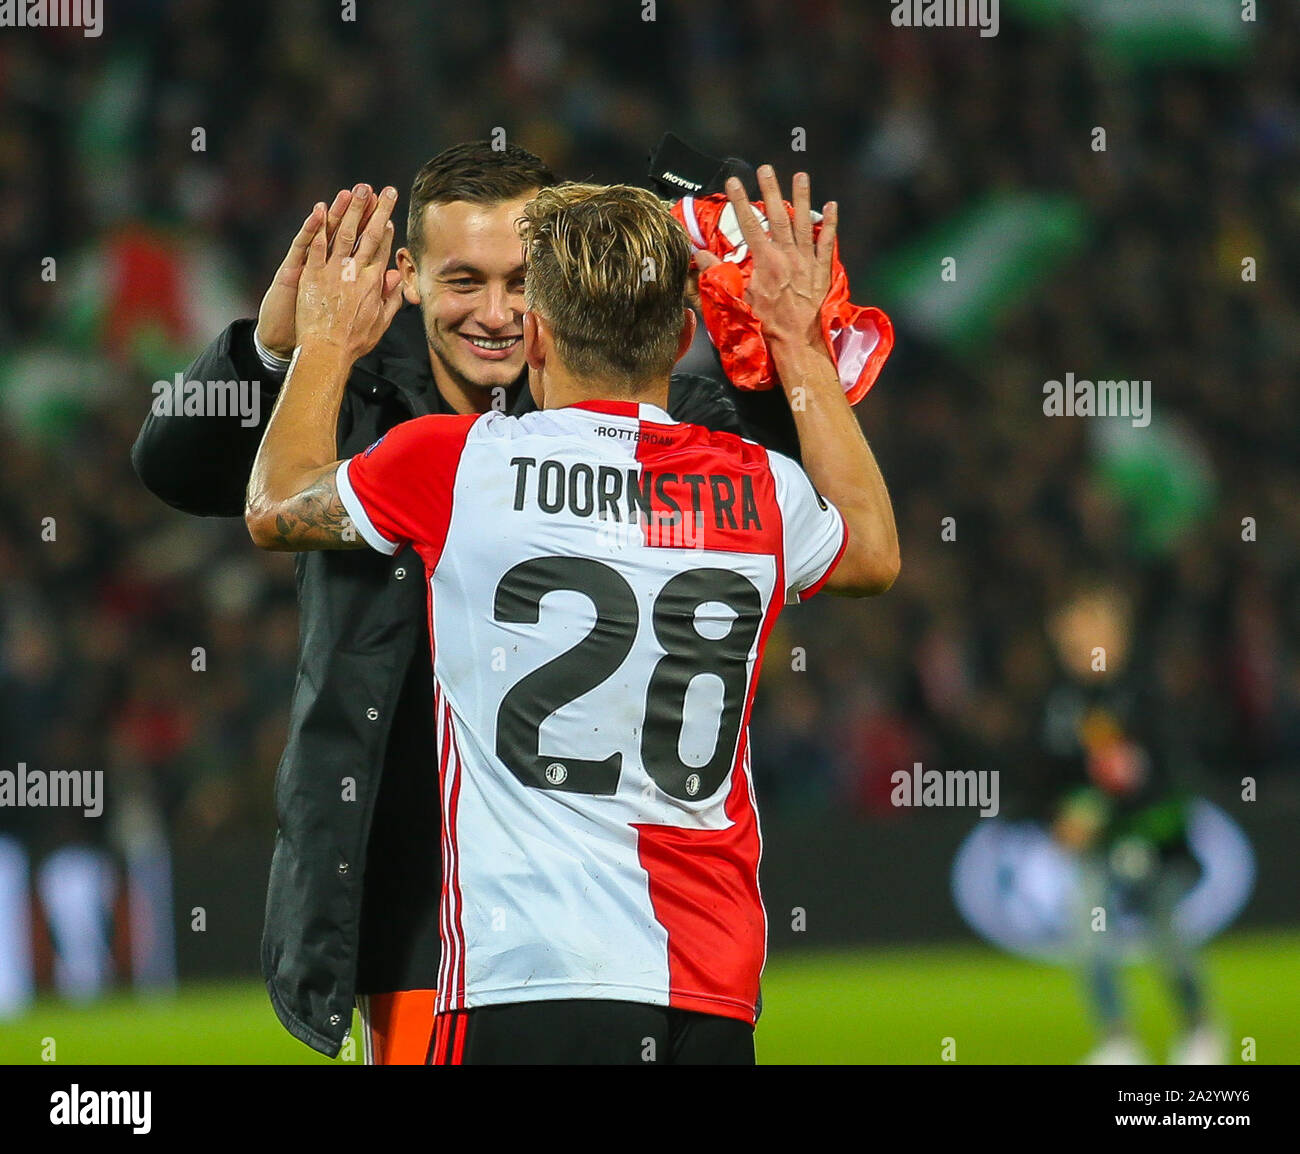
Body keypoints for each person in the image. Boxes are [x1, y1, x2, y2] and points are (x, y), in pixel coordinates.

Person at [130, 142, 813, 1062]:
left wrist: (765, 337)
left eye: (521, 280)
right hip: (421, 900)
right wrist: (271, 347)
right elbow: (173, 467)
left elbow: (780, 481)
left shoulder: (654, 421)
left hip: (611, 907)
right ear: (407, 279)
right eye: (464, 281)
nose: (495, 315)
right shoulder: (356, 409)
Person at [1042, 583, 1223, 1065]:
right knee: (1089, 937)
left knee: (1167, 935)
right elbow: (1047, 776)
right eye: (1071, 635)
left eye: (1089, 630)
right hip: (1097, 847)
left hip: (1157, 840)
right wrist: (1059, 817)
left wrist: (1102, 807)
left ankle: (1200, 1029)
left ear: (1115, 634)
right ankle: (1118, 1041)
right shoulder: (1062, 704)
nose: (1079, 644)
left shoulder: (1146, 694)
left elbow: (1165, 773)